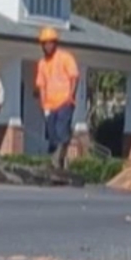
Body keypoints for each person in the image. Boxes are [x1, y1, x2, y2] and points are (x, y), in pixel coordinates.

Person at [34, 26, 79, 166]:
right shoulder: (42, 63)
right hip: (49, 105)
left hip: (64, 101)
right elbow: (41, 84)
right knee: (52, 135)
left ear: (55, 43)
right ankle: (58, 158)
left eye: (50, 43)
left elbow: (74, 77)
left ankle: (59, 159)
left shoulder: (65, 57)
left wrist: (71, 96)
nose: (48, 46)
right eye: (45, 43)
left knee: (61, 131)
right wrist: (43, 105)